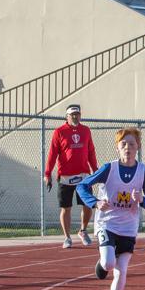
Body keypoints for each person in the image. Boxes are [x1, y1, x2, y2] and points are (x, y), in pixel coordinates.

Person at [76, 128, 145, 290]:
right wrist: (94, 202)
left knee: (122, 271)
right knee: (109, 263)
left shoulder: (144, 171)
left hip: (128, 228)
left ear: (138, 146)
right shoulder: (108, 168)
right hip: (107, 223)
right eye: (123, 144)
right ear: (117, 148)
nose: (127, 148)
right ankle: (102, 265)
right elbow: (82, 186)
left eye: (131, 144)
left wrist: (142, 200)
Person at [45, 105, 99, 249]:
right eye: (72, 114)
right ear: (67, 117)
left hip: (83, 176)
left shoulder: (86, 130)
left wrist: (96, 171)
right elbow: (52, 154)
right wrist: (47, 173)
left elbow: (91, 152)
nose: (75, 117)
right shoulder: (59, 132)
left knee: (88, 205)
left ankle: (83, 231)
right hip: (65, 177)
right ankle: (67, 237)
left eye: (77, 114)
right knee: (65, 208)